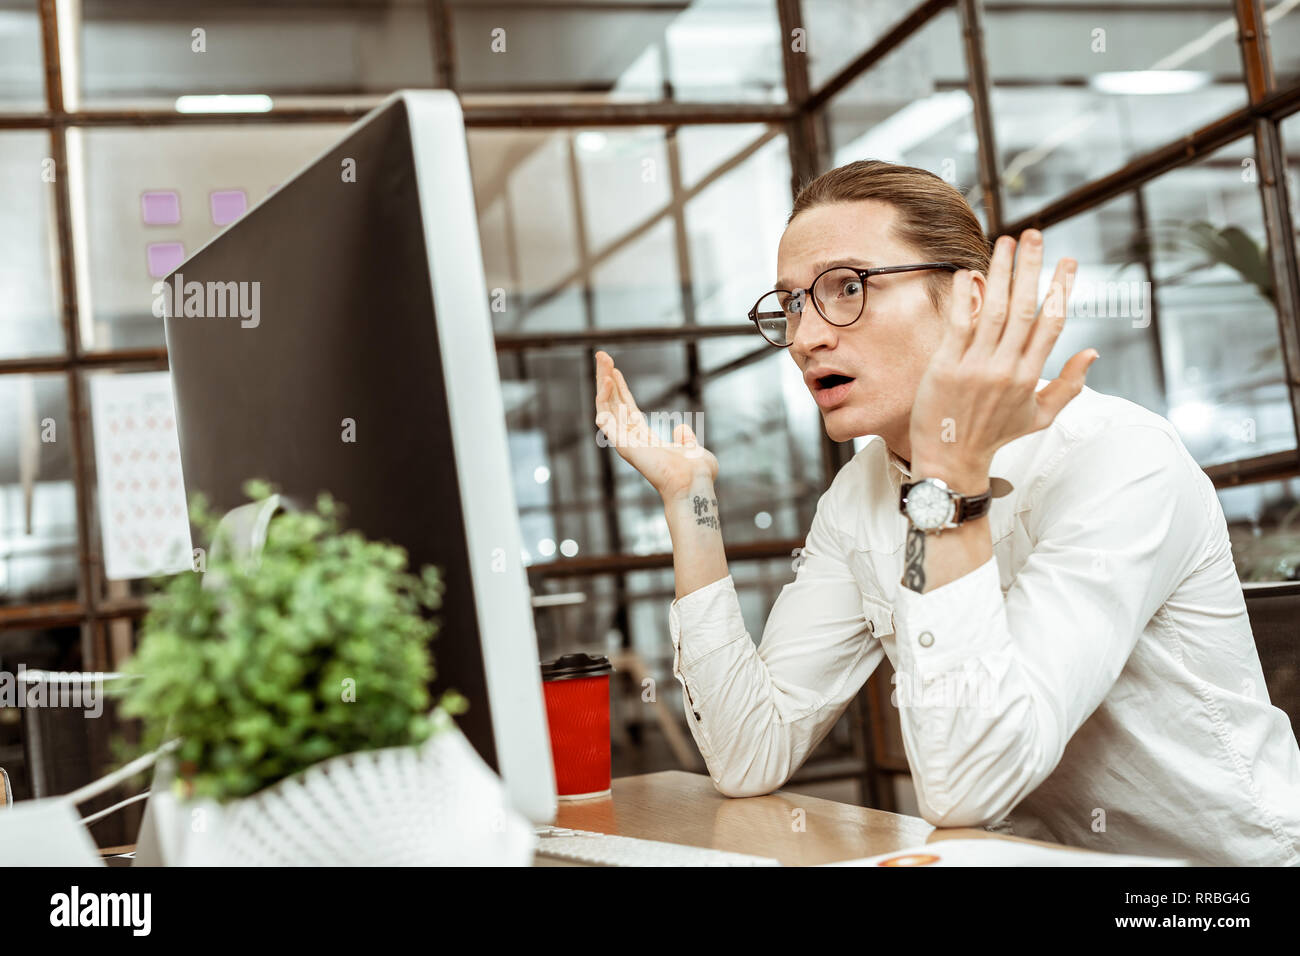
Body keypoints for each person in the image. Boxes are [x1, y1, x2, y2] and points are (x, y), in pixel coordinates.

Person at [592, 159, 1300, 866]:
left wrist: (950, 477)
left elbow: (967, 789)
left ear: (970, 299)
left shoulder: (1121, 456)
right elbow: (750, 754)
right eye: (794, 304)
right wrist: (691, 505)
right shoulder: (860, 493)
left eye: (848, 287)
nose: (806, 337)